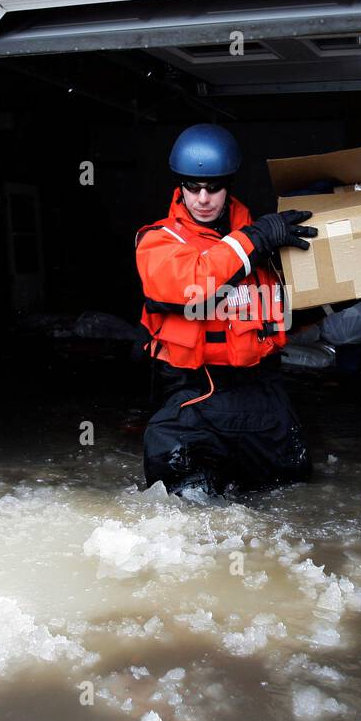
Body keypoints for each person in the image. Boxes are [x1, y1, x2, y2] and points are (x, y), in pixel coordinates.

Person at [136, 123, 317, 495]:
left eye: (213, 187)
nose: (203, 198)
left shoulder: (265, 241)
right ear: (180, 185)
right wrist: (256, 239)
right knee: (190, 503)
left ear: (228, 185)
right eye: (192, 187)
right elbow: (195, 283)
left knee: (294, 491)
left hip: (261, 394)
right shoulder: (157, 242)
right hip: (192, 393)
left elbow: (283, 316)